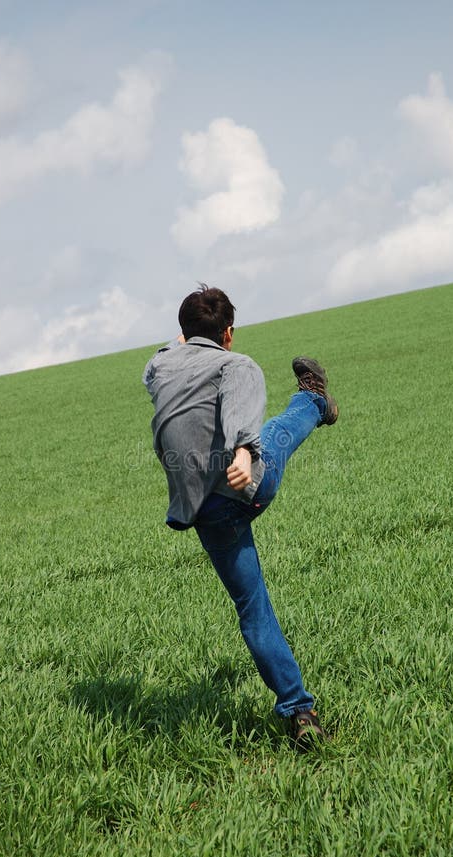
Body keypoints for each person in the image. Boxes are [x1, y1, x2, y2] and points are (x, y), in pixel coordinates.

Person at [142, 284, 339, 748]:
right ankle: (314, 399)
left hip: (203, 510)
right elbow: (240, 410)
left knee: (253, 610)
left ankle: (300, 711)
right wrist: (247, 454)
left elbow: (168, 355)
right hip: (243, 486)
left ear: (183, 334)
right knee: (276, 432)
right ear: (229, 333)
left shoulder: (157, 367)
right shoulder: (238, 365)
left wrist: (185, 339)